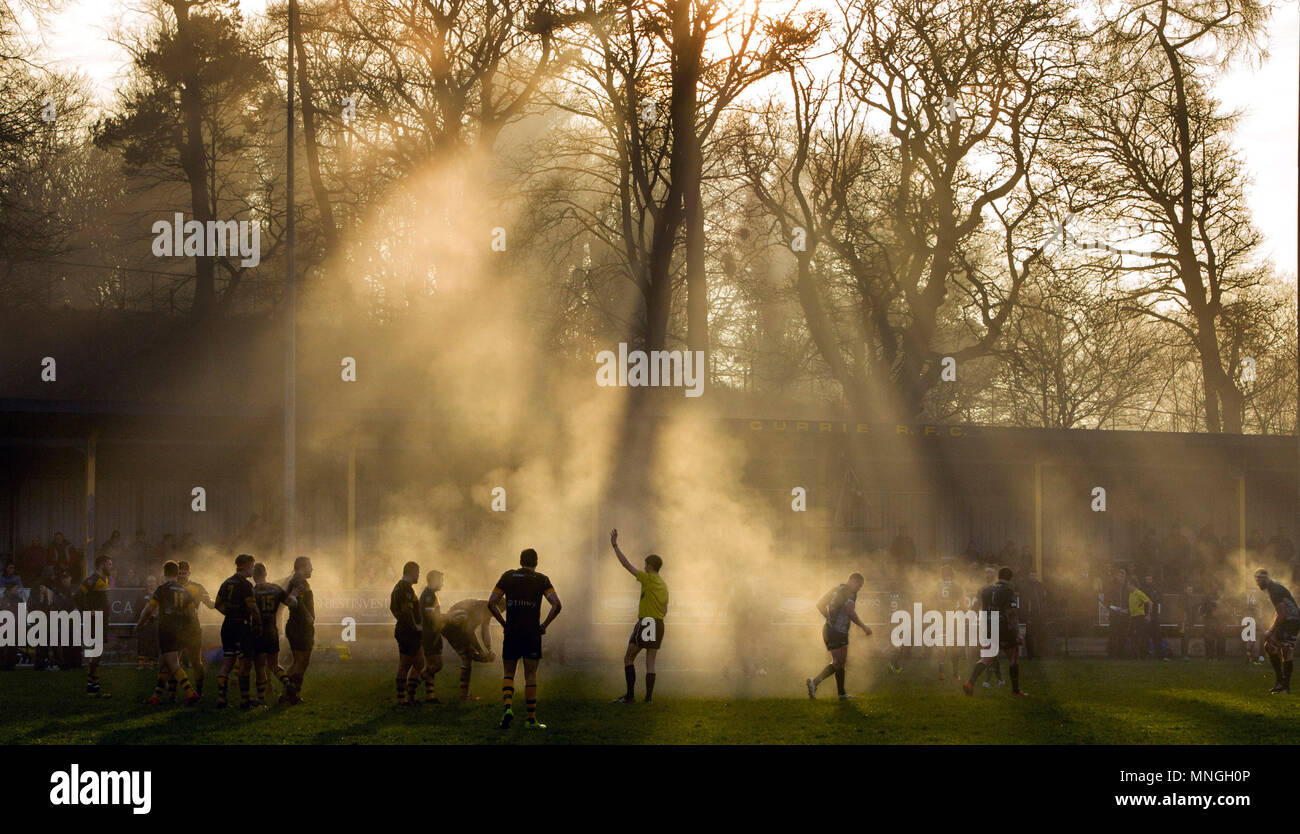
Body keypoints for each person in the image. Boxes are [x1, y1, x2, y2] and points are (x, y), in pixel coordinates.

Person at [488, 548, 562, 730]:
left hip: (512, 632)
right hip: (531, 634)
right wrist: (544, 626)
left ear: (520, 561)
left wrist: (503, 623)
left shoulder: (508, 577)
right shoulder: (542, 580)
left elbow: (491, 602)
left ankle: (507, 708)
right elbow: (557, 604)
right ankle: (530, 719)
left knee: (508, 673)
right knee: (530, 675)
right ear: (536, 563)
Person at [609, 529, 668, 704]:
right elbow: (665, 610)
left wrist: (615, 545)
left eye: (645, 564)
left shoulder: (648, 578)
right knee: (650, 662)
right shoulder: (664, 585)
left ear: (650, 566)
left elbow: (626, 564)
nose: (643, 567)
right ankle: (648, 699)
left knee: (628, 658)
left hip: (647, 622)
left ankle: (629, 696)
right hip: (658, 624)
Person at [136, 561, 200, 706]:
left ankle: (191, 693)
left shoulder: (161, 590)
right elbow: (192, 613)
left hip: (167, 630)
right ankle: (157, 697)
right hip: (182, 630)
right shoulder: (185, 591)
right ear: (177, 574)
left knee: (172, 663)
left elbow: (149, 609)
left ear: (164, 573)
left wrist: (139, 624)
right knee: (164, 663)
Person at [806, 572, 871, 700]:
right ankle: (814, 682)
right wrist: (864, 627)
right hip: (836, 631)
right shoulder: (850, 592)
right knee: (837, 662)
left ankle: (841, 694)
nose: (859, 588)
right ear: (853, 580)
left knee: (841, 662)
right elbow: (850, 612)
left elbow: (819, 604)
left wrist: (829, 618)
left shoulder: (836, 589)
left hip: (835, 630)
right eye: (859, 585)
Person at [962, 567, 1026, 697]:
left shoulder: (986, 590)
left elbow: (979, 608)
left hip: (989, 626)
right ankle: (1016, 691)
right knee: (1013, 657)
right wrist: (1017, 632)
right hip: (1004, 626)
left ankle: (969, 683)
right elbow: (1012, 613)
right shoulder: (1008, 590)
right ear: (1010, 579)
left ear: (998, 576)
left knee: (986, 658)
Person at [213, 554, 262, 708]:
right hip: (242, 626)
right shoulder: (246, 585)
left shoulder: (227, 582)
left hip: (227, 626)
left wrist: (229, 614)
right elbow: (253, 608)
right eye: (253, 566)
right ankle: (244, 700)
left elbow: (217, 604)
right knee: (245, 663)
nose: (253, 570)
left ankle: (221, 699)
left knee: (227, 661)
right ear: (247, 566)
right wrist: (259, 623)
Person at [1254, 568, 1300, 694]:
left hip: (1292, 621)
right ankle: (1280, 682)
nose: (1259, 582)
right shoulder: (1272, 588)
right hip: (1287, 620)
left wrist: (1271, 629)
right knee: (1269, 646)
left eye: (1261, 579)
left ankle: (1285, 687)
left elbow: (1282, 613)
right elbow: (1279, 611)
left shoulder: (1274, 590)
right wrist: (1271, 627)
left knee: (1286, 651)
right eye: (1257, 580)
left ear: (1267, 578)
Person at [251, 563, 291, 705]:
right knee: (274, 665)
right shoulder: (275, 588)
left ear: (253, 575)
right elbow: (291, 602)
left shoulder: (252, 591)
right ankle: (287, 684)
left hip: (258, 631)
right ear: (266, 573)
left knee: (260, 667)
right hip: (272, 630)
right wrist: (294, 595)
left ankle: (260, 698)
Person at [440, 598, 495, 700]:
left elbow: (485, 630)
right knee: (468, 657)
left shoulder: (488, 608)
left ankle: (464, 694)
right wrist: (481, 652)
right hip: (451, 629)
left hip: (458, 629)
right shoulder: (482, 608)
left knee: (468, 658)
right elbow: (469, 631)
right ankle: (464, 695)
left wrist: (489, 649)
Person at [75, 554, 113, 696]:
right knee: (96, 653)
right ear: (102, 565)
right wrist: (87, 611)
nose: (111, 567)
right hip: (96, 619)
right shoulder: (93, 580)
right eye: (109, 564)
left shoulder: (104, 579)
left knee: (98, 653)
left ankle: (93, 686)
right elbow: (77, 595)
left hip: (101, 619)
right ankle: (92, 687)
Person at [390, 561, 428, 706]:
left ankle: (410, 696)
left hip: (408, 631)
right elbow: (406, 611)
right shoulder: (404, 589)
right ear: (412, 572)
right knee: (405, 665)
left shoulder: (401, 588)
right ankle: (402, 699)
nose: (419, 575)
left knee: (419, 663)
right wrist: (415, 626)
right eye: (418, 572)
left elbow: (394, 609)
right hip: (408, 632)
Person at [176, 560, 214, 695]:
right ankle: (172, 693)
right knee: (174, 661)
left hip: (192, 628)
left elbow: (209, 604)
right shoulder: (171, 587)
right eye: (179, 573)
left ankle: (199, 690)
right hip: (175, 628)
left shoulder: (197, 587)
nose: (181, 576)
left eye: (184, 573)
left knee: (196, 661)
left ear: (189, 573)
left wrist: (221, 602)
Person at [281, 557, 315, 705]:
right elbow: (296, 602)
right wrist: (308, 616)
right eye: (310, 566)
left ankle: (291, 693)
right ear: (303, 566)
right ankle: (289, 694)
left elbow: (288, 599)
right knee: (300, 661)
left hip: (298, 625)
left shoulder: (296, 579)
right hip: (300, 626)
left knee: (301, 661)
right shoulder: (299, 581)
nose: (312, 569)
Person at [1127, 575, 1153, 659]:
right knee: (1133, 636)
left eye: (1128, 585)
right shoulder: (1131, 594)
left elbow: (1150, 602)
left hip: (1139, 618)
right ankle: (1136, 655)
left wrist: (1148, 615)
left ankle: (1144, 654)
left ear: (1132, 585)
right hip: (1133, 617)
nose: (1127, 587)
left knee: (1140, 636)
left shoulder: (1139, 593)